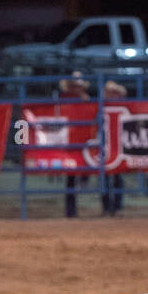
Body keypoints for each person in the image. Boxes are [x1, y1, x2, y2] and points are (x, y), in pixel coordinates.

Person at [57, 71, 90, 218]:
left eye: (78, 86)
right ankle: (71, 210)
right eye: (74, 86)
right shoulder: (65, 100)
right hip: (70, 141)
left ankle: (72, 209)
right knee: (71, 177)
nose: (76, 89)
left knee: (80, 172)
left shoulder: (85, 100)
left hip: (82, 141)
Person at [101, 80, 126, 216]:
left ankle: (116, 205)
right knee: (106, 177)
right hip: (107, 145)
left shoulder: (121, 107)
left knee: (116, 175)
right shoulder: (101, 106)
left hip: (117, 145)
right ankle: (109, 206)